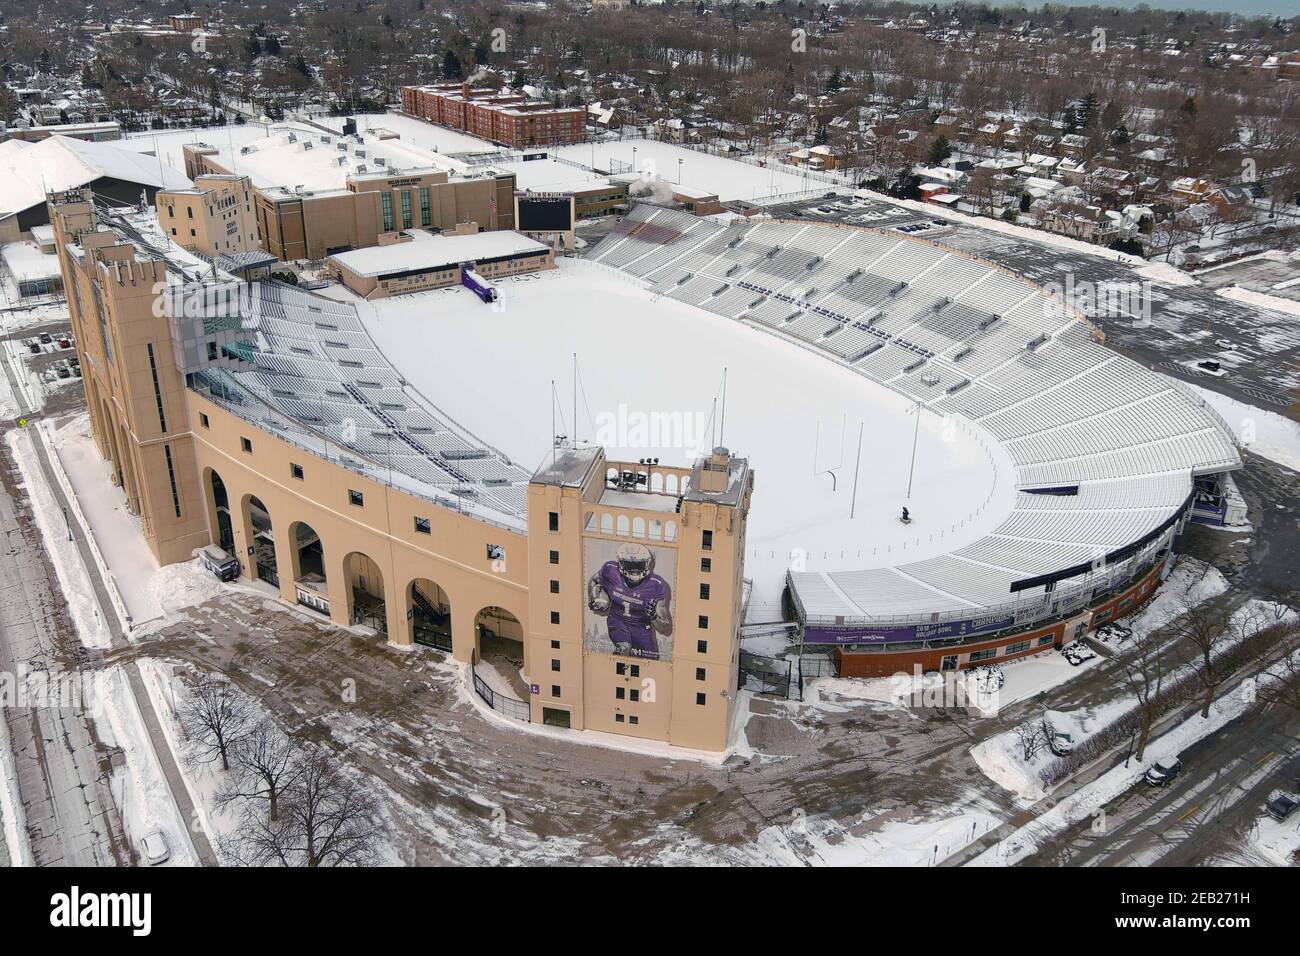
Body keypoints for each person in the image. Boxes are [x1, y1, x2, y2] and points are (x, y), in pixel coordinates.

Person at [587, 542, 673, 659]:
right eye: (629, 565)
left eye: (639, 565)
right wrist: (594, 597)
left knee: (650, 659)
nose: (634, 570)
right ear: (620, 562)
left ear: (647, 563)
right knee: (624, 648)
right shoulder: (610, 570)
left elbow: (665, 628)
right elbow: (594, 581)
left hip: (642, 628)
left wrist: (653, 616)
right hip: (618, 620)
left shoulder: (656, 585)